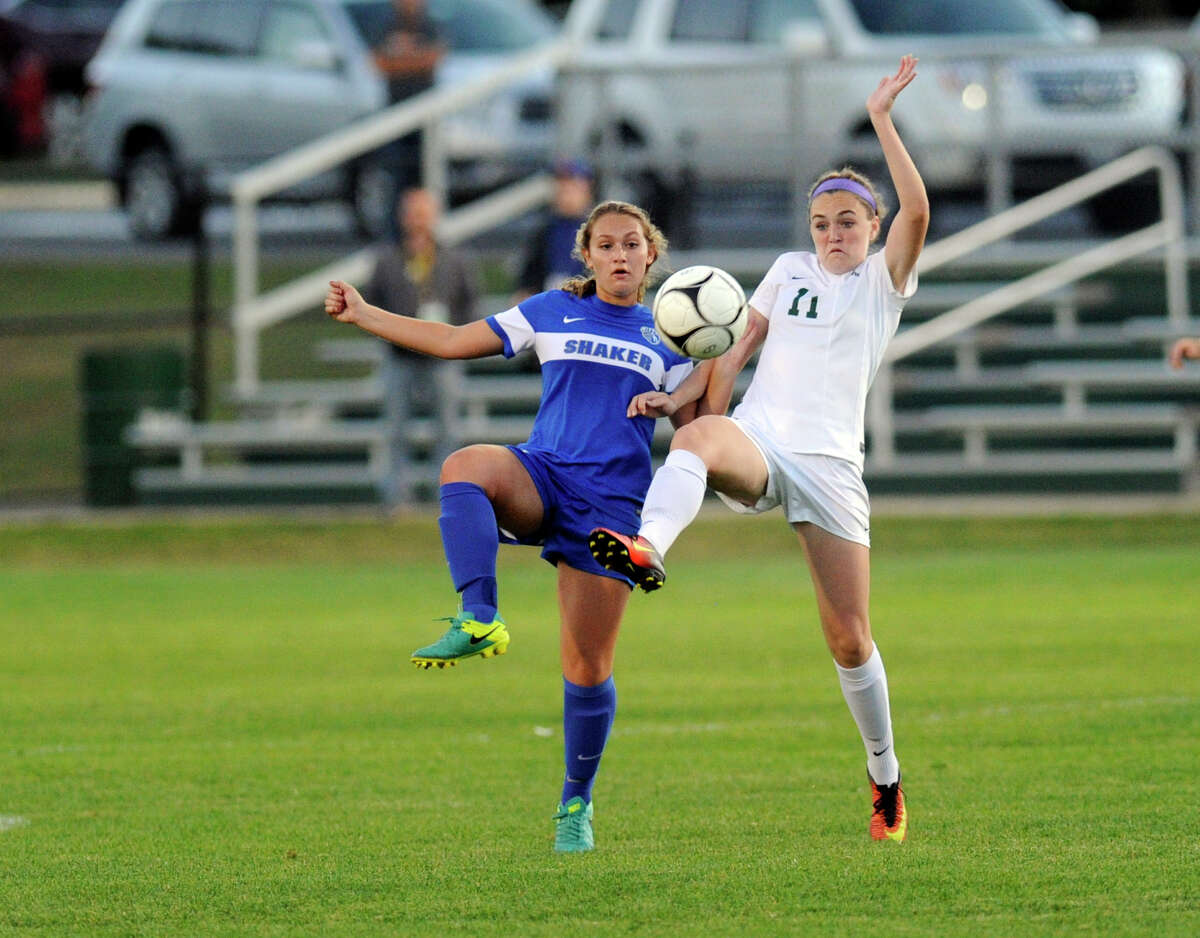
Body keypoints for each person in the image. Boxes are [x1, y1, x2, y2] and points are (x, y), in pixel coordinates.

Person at [588, 56, 930, 844]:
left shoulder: (883, 282)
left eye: (848, 221)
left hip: (833, 468)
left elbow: (918, 205)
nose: (834, 233)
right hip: (764, 442)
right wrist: (681, 399)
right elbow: (734, 348)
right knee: (704, 437)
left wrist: (881, 118)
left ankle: (885, 777)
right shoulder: (784, 272)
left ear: (871, 227)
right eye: (822, 222)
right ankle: (645, 548)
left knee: (849, 636)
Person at [324, 200, 723, 853]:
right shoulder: (550, 310)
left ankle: (574, 805)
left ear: (652, 257)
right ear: (587, 256)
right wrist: (365, 313)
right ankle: (479, 615)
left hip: (610, 509)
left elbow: (698, 435)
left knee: (587, 666)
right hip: (543, 473)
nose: (620, 255)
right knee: (465, 466)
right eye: (607, 245)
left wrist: (715, 365)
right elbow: (453, 341)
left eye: (632, 245)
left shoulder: (672, 338)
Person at [363, 187, 479, 504]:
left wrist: (455, 334)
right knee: (396, 429)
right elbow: (371, 303)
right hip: (400, 357)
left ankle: (448, 495)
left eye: (424, 212)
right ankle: (396, 498)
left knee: (447, 429)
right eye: (413, 212)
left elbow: (469, 302)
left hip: (443, 357)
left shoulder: (453, 259)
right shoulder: (387, 260)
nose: (418, 220)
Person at [371, 0, 444, 225]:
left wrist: (401, 57)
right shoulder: (388, 25)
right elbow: (378, 63)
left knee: (426, 180)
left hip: (424, 120)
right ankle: (395, 239)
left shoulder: (429, 26)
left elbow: (434, 58)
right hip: (396, 118)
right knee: (396, 182)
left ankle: (425, 230)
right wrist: (415, 59)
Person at [512, 158, 596, 302]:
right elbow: (527, 282)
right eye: (561, 186)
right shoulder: (544, 232)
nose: (565, 193)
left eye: (572, 186)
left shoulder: (601, 230)